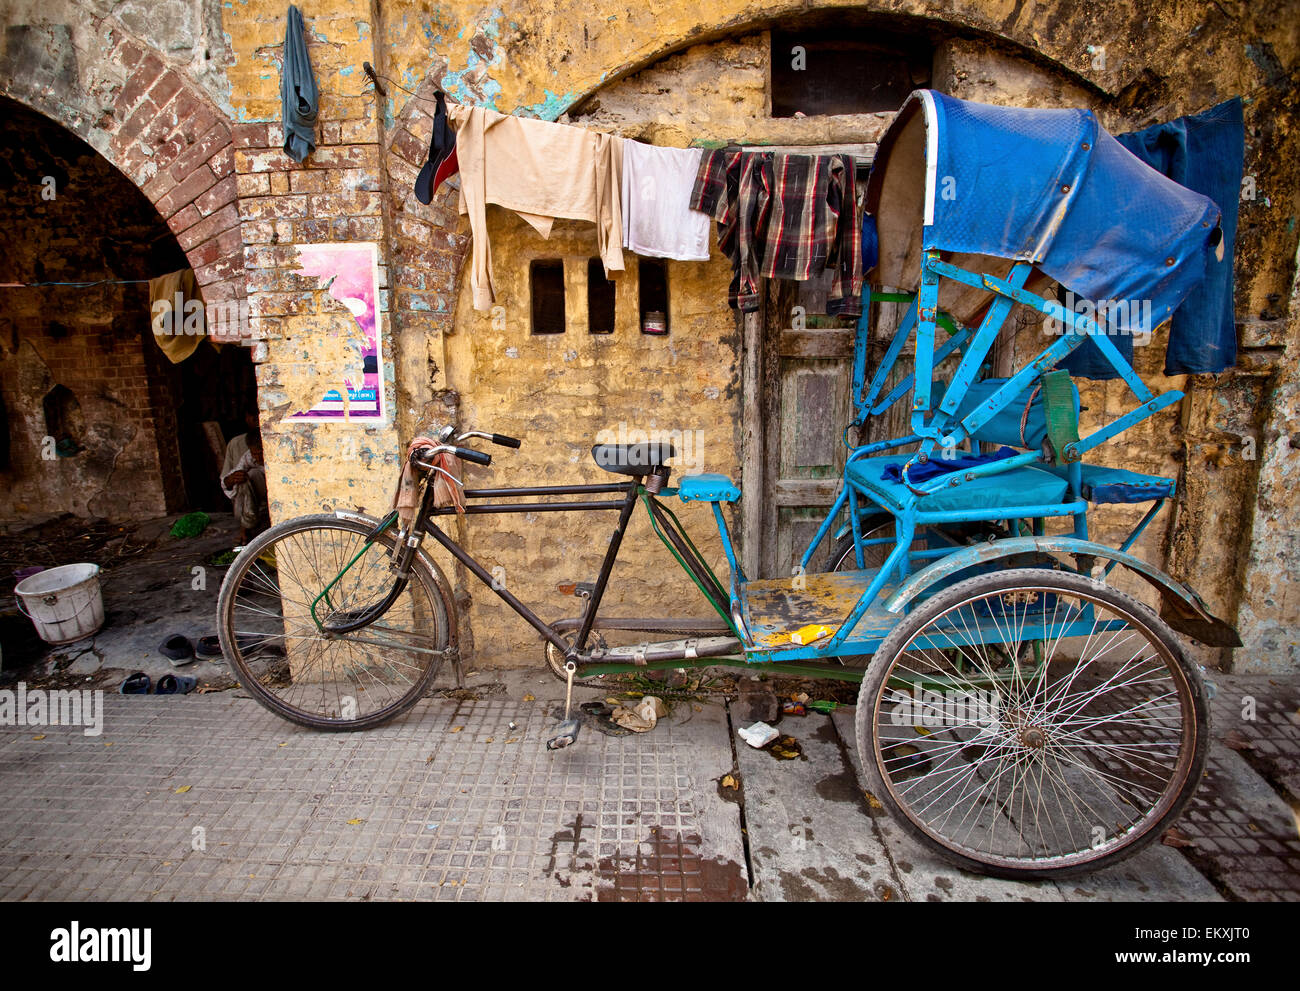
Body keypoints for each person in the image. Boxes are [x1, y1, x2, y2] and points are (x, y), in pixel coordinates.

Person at [221, 415, 268, 543]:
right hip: (259, 497)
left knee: (253, 474)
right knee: (245, 478)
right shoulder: (247, 456)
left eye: (261, 454)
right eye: (255, 454)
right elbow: (231, 477)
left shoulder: (273, 457)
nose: (258, 458)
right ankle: (246, 526)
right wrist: (234, 478)